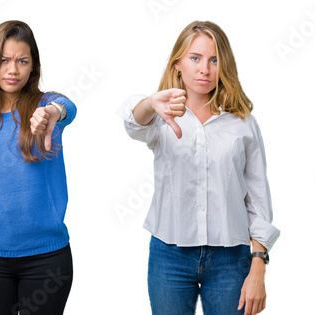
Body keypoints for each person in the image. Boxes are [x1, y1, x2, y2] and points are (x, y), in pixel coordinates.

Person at [119, 21, 280, 315]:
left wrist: (259, 265)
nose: (205, 69)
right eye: (195, 58)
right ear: (178, 63)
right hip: (169, 256)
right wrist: (151, 103)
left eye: (214, 60)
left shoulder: (242, 122)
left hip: (231, 259)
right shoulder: (160, 117)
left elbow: (258, 199)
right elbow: (133, 122)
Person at [0, 20, 77, 314]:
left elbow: (68, 107)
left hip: (47, 259)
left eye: (22, 61)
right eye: (4, 60)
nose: (13, 70)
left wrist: (52, 112)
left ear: (33, 66)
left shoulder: (45, 109)